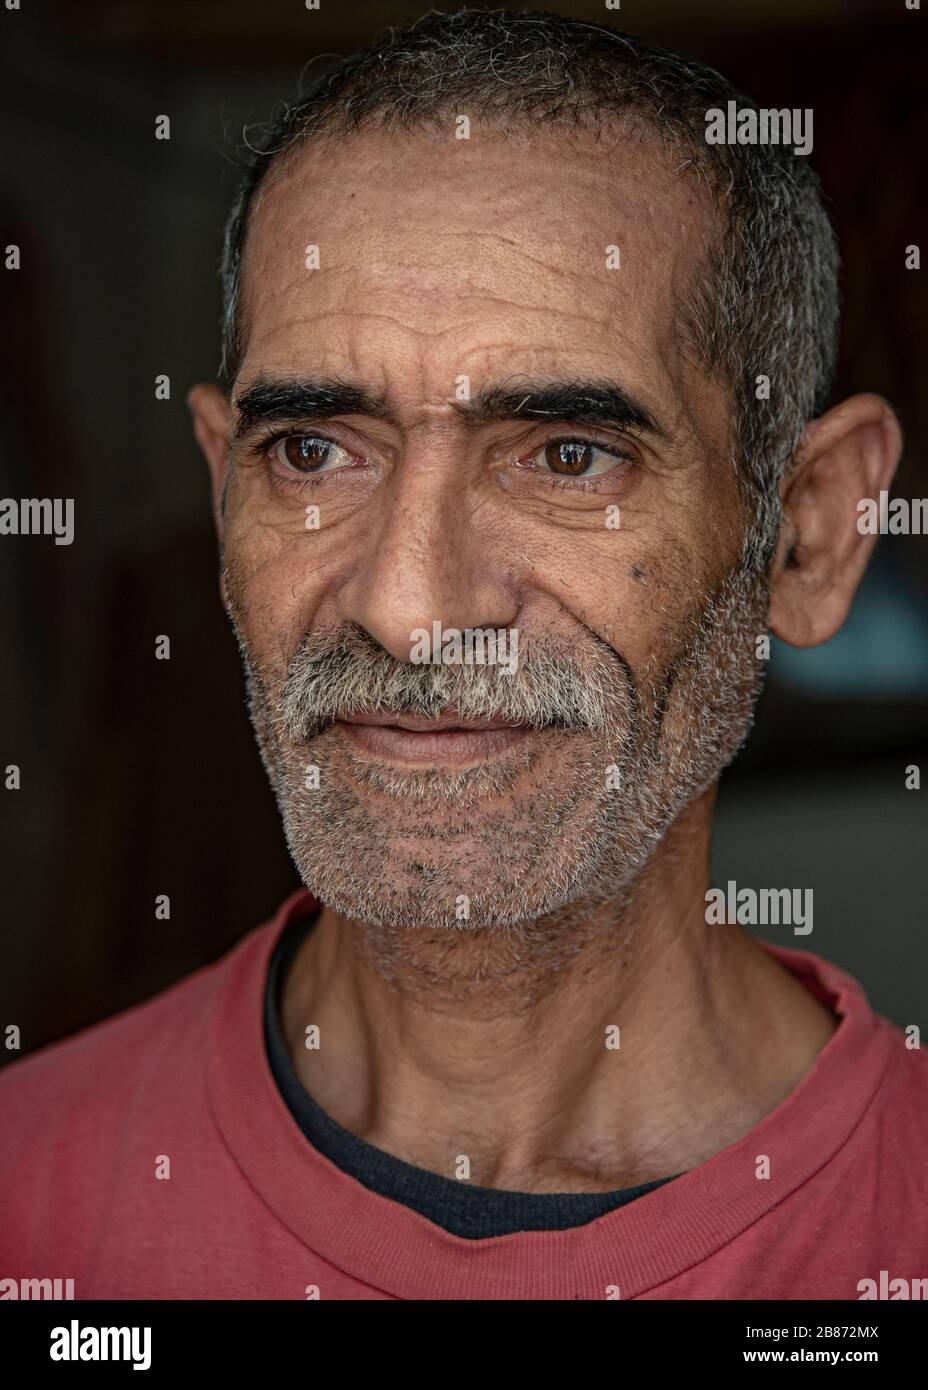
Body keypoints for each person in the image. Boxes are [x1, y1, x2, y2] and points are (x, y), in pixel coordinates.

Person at [2, 8, 924, 1302]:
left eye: (567, 454)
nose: (404, 603)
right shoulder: (25, 1195)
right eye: (314, 451)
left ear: (811, 533)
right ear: (225, 499)